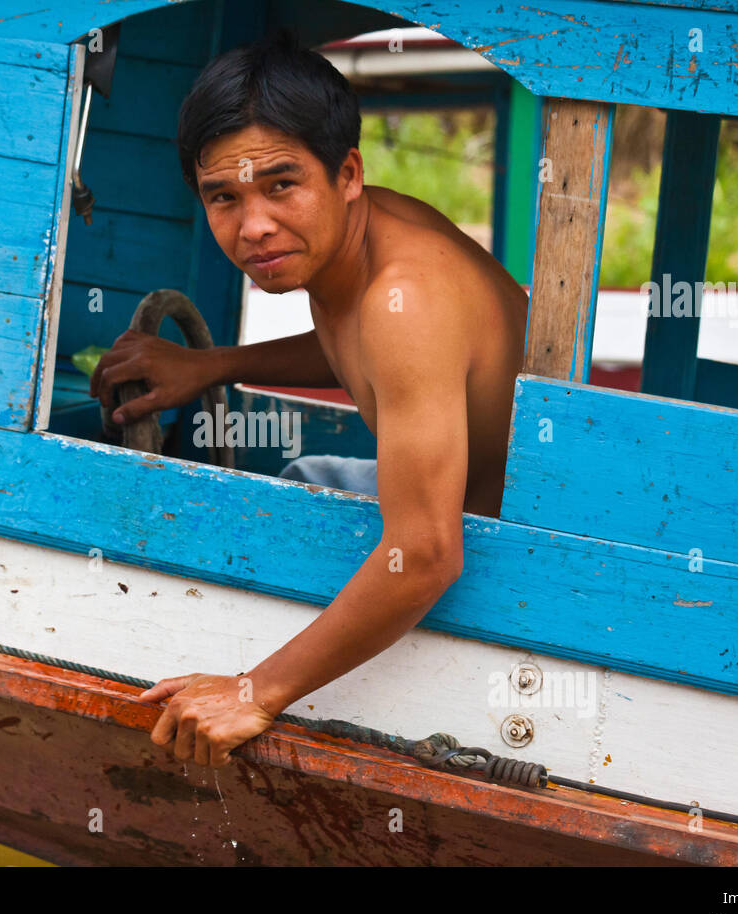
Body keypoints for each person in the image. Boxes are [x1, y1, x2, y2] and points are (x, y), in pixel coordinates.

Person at [88, 31, 529, 768]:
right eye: (223, 197)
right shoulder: (370, 238)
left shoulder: (407, 298)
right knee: (308, 479)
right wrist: (213, 365)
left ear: (346, 173)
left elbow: (425, 554)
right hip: (443, 518)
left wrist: (255, 692)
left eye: (281, 185)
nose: (253, 226)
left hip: (488, 562)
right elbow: (361, 343)